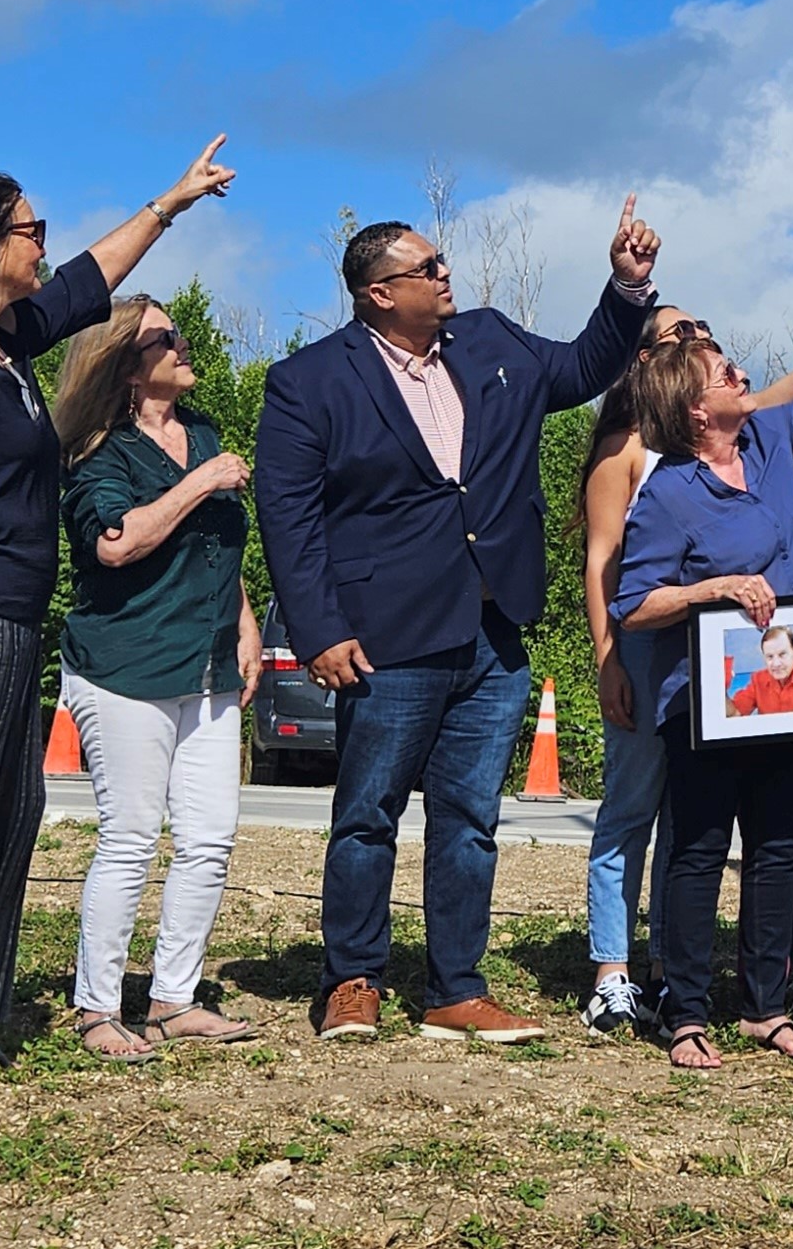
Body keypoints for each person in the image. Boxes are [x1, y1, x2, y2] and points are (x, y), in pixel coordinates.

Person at [0, 140, 238, 1113]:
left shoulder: (5, 339)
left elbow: (88, 284)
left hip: (12, 622)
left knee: (2, 822)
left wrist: (170, 204)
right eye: (31, 229)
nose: (44, 242)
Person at [254, 198, 660, 1044]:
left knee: (471, 817)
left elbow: (586, 366)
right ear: (376, 293)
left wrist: (625, 288)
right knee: (368, 812)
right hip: (386, 632)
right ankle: (353, 979)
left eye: (442, 264)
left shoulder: (493, 342)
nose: (446, 277)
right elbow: (287, 517)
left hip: (492, 627)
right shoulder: (309, 381)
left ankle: (454, 987)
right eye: (427, 268)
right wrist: (319, 629)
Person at [579, 226, 793, 1039]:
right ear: (674, 386)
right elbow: (615, 577)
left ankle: (754, 999)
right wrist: (609, 660)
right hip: (672, 675)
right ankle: (627, 975)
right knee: (649, 817)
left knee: (772, 842)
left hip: (774, 688)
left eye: (707, 334)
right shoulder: (645, 466)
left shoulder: (763, 435)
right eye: (688, 339)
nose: (711, 344)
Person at [53, 296, 263, 1061]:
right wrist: (199, 482)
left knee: (209, 837)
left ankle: (174, 997)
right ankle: (97, 1008)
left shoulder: (200, 431)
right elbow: (115, 543)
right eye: (164, 337)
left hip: (205, 665)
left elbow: (214, 548)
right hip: (125, 668)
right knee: (132, 838)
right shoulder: (99, 455)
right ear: (125, 365)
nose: (183, 344)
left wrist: (243, 622)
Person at [729, 626, 793, 716]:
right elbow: (735, 714)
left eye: (782, 654)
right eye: (770, 657)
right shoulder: (758, 680)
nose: (776, 664)